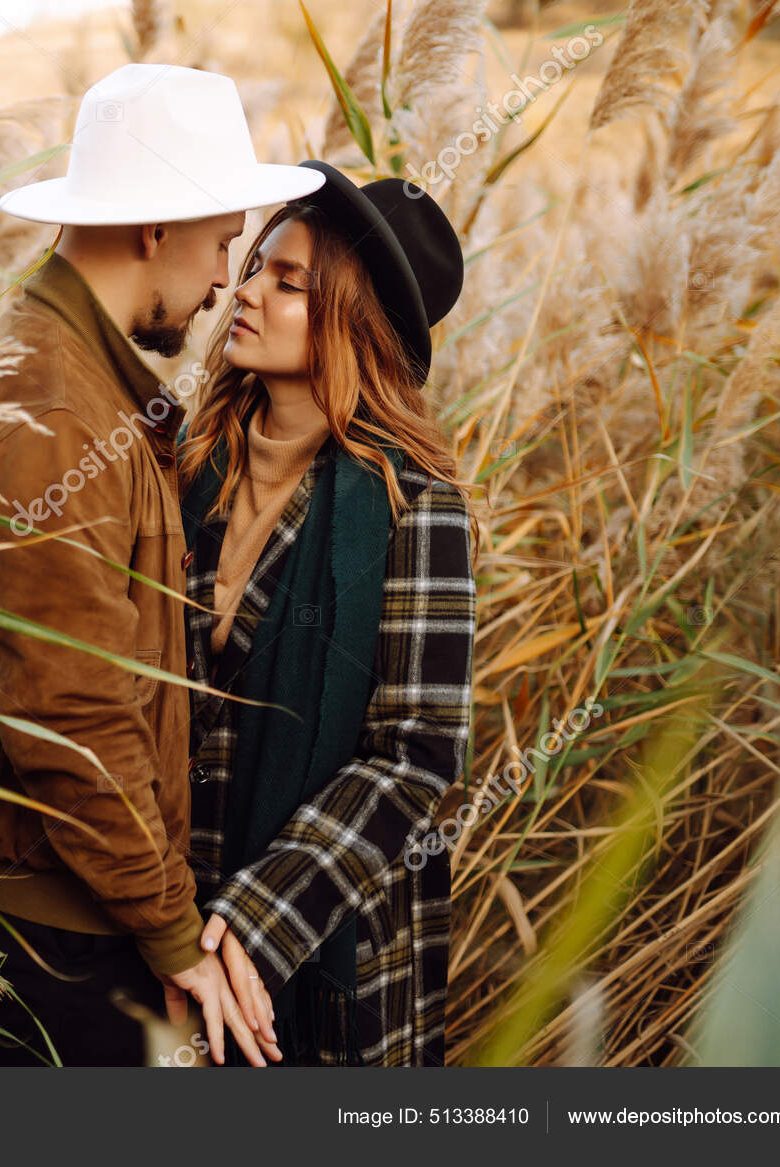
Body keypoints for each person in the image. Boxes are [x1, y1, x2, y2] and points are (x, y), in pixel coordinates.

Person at [0, 63, 324, 1066]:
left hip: (74, 909)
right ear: (155, 231)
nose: (228, 278)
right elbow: (70, 712)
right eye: (225, 242)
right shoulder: (57, 412)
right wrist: (172, 935)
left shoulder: (77, 381)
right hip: (53, 940)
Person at [176, 161, 479, 1066]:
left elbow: (417, 754)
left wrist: (252, 920)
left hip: (324, 931)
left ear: (353, 321)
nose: (245, 290)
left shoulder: (415, 506)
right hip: (174, 922)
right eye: (255, 263)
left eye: (288, 281)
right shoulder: (188, 466)